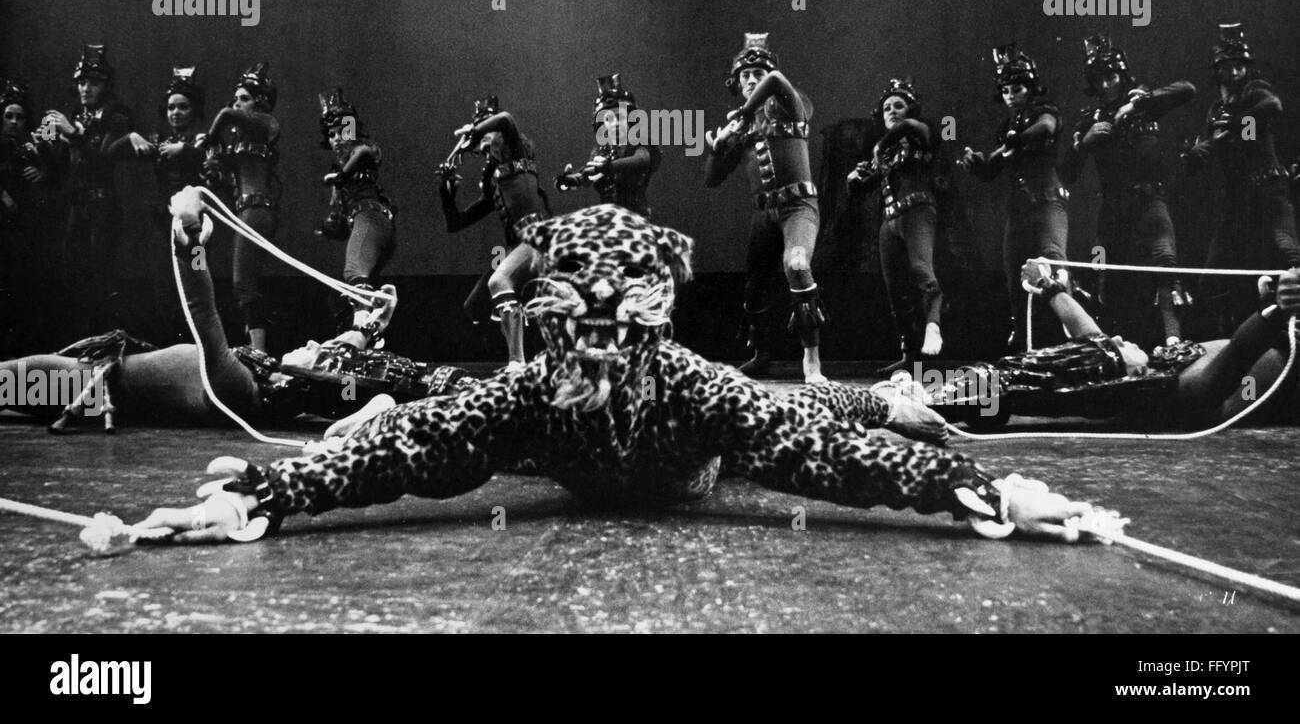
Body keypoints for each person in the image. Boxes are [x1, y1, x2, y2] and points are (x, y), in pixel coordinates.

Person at [129, 203, 1112, 548]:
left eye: (606, 325)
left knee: (829, 408)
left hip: (710, 445)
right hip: (554, 453)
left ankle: (899, 390)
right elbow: (405, 454)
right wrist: (267, 490)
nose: (583, 349)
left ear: (646, 322)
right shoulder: (528, 396)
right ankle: (366, 388)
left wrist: (987, 490)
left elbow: (838, 459)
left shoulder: (697, 390)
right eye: (567, 326)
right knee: (435, 408)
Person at [0, 188, 461, 432]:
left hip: (89, 384)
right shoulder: (279, 385)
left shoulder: (239, 389)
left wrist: (189, 236)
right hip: (97, 373)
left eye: (316, 351)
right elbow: (339, 356)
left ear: (312, 374)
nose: (312, 341)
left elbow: (203, 311)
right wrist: (370, 325)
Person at [932, 258, 1300, 429]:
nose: (1120, 338)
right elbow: (1239, 354)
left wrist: (1047, 288)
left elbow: (1090, 340)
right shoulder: (1185, 391)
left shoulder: (1136, 374)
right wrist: (1275, 312)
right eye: (1118, 348)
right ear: (1128, 372)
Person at [1060, 36, 1195, 346]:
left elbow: (1188, 89)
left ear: (1122, 76)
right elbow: (1067, 174)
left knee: (1166, 262)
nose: (1107, 84)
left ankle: (1175, 342)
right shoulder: (1090, 120)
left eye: (1112, 77)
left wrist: (1138, 103)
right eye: (1101, 79)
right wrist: (1084, 143)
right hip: (1113, 207)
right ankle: (1109, 345)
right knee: (1107, 272)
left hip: (1150, 198)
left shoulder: (1142, 103)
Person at [705, 33, 824, 383]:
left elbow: (774, 81)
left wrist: (740, 116)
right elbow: (712, 180)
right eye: (745, 75)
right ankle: (761, 355)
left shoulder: (791, 105)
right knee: (754, 288)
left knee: (797, 264)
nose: (753, 79)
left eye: (757, 73)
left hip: (797, 207)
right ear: (736, 83)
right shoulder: (742, 131)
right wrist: (718, 146)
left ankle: (812, 359)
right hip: (764, 216)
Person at [1182, 23, 1300, 335]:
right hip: (1239, 201)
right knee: (1212, 275)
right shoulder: (1215, 109)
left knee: (1286, 248)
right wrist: (1196, 155)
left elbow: (1272, 106)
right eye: (1227, 68)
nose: (1234, 73)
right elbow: (1211, 147)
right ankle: (1232, 338)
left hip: (1270, 188)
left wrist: (1233, 126)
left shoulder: (1254, 92)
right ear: (1217, 71)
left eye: (1239, 67)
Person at [957, 42, 1068, 349]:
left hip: (1047, 202)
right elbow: (991, 168)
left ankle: (1073, 334)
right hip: (1018, 211)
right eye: (1005, 90)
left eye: (1016, 89)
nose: (1010, 96)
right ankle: (1022, 339)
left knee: (1054, 262)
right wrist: (977, 163)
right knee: (1015, 275)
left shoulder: (1044, 112)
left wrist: (1016, 141)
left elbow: (1044, 129)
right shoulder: (1008, 126)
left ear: (1029, 88)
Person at [439, 97, 550, 369]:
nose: (484, 144)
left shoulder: (518, 152)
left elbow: (506, 119)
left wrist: (475, 130)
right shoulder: (494, 182)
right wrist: (446, 192)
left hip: (538, 240)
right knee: (476, 305)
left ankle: (517, 363)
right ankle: (524, 344)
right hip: (518, 248)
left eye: (488, 133)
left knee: (499, 281)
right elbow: (457, 223)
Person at [847, 77, 945, 362]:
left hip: (917, 213)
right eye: (887, 107)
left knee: (921, 270)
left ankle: (933, 326)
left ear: (911, 110)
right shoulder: (886, 152)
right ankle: (908, 354)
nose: (891, 111)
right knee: (895, 290)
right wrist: (854, 178)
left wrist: (878, 148)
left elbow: (907, 127)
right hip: (889, 222)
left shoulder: (923, 131)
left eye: (899, 105)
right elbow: (858, 189)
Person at [41, 45, 137, 335]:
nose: (86, 88)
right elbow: (60, 170)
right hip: (77, 206)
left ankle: (103, 341)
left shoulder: (116, 115)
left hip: (102, 205)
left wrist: (72, 135)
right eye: (82, 82)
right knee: (71, 272)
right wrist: (45, 147)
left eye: (93, 82)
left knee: (100, 275)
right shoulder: (75, 115)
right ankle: (80, 338)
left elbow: (104, 160)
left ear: (106, 86)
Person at [122, 67, 209, 341]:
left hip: (197, 230)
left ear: (194, 111)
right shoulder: (160, 143)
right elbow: (110, 152)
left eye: (183, 107)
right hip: (164, 226)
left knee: (197, 282)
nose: (175, 112)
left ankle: (199, 348)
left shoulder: (203, 141)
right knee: (164, 288)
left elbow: (211, 161)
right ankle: (171, 347)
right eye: (171, 107)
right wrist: (130, 136)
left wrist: (185, 151)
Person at [203, 63, 281, 352]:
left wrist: (211, 137)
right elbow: (229, 186)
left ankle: (259, 353)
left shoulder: (266, 123)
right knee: (243, 285)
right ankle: (254, 348)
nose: (237, 104)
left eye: (244, 98)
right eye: (236, 98)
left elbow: (225, 114)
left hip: (257, 211)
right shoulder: (241, 141)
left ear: (260, 101)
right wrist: (215, 167)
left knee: (244, 284)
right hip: (245, 211)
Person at [317, 87, 397, 332]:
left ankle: (360, 338)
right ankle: (370, 338)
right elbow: (340, 221)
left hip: (372, 220)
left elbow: (361, 150)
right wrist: (330, 227)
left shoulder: (362, 150)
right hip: (364, 225)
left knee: (354, 273)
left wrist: (342, 175)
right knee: (338, 297)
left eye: (341, 132)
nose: (336, 139)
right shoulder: (338, 173)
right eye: (331, 135)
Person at [555, 74, 660, 217]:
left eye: (619, 117)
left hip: (637, 221)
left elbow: (642, 160)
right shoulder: (600, 152)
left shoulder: (640, 144)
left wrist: (607, 167)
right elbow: (587, 175)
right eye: (608, 119)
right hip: (608, 223)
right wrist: (570, 180)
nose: (615, 123)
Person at [0, 76, 54, 351]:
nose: (13, 121)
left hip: (23, 228)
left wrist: (43, 172)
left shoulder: (32, 148)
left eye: (19, 117)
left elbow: (55, 174)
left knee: (23, 286)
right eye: (8, 115)